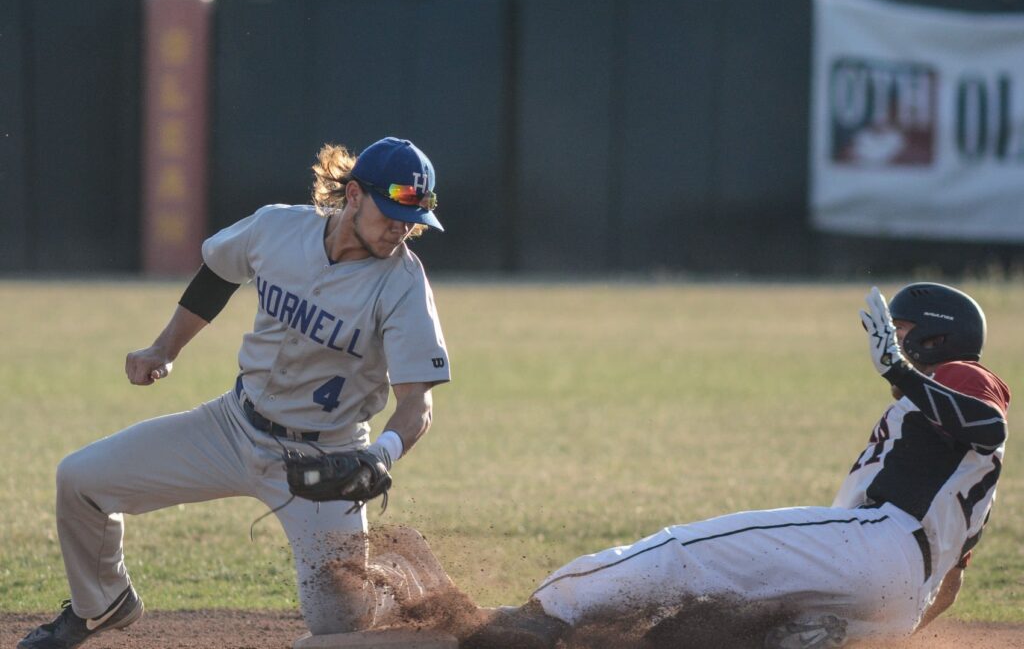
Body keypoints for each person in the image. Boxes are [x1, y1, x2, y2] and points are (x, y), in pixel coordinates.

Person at [18, 137, 452, 649]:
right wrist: (164, 348)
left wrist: (379, 456)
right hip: (231, 427)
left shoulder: (402, 284)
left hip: (326, 460)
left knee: (339, 625)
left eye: (413, 218)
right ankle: (101, 604)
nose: (402, 227)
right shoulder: (278, 228)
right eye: (391, 212)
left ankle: (402, 580)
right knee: (81, 480)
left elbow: (416, 405)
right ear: (353, 195)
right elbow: (219, 272)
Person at [464, 283, 1009, 649]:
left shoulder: (963, 375)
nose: (898, 340)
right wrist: (891, 631)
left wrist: (901, 371)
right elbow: (951, 589)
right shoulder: (959, 462)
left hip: (874, 543)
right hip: (898, 597)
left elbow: (989, 425)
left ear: (939, 335)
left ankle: (543, 612)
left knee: (686, 553)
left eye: (907, 330)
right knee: (728, 626)